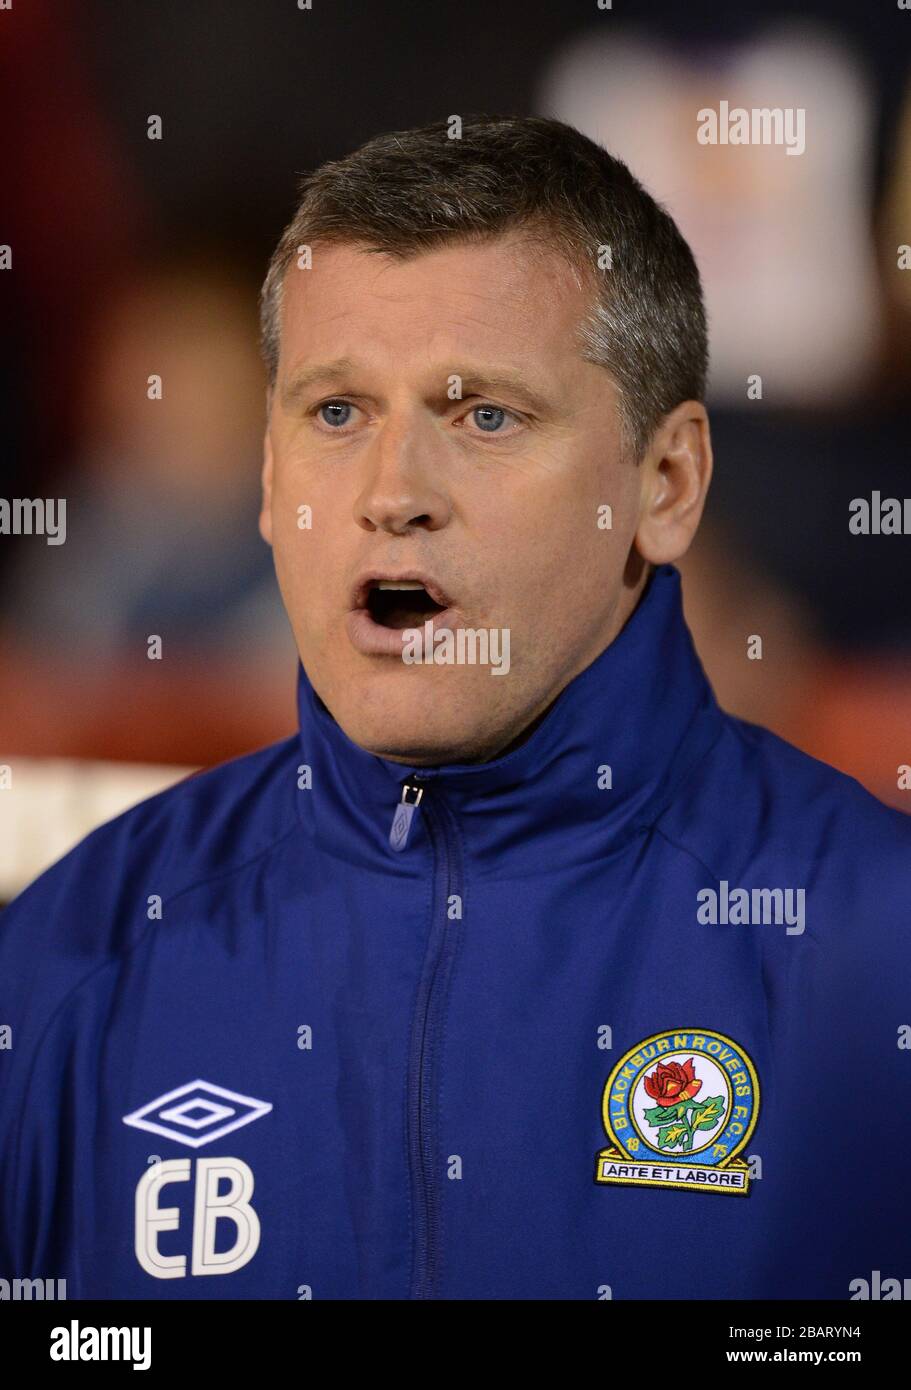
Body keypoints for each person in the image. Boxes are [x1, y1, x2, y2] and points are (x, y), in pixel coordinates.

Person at [1, 116, 908, 1300]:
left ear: (665, 484)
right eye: (335, 414)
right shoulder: (70, 959)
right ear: (269, 484)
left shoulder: (876, 955)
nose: (392, 494)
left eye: (482, 415)